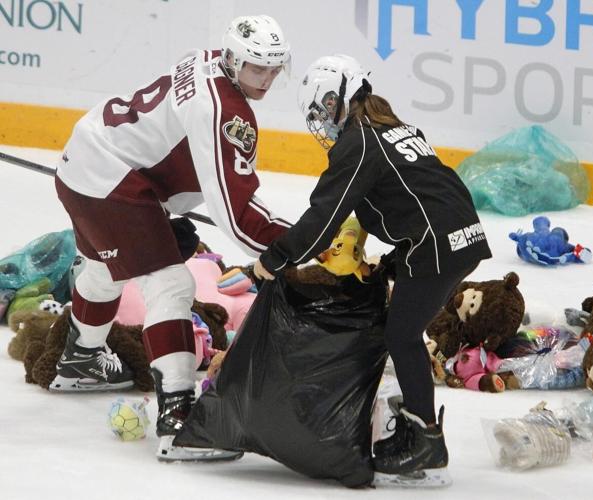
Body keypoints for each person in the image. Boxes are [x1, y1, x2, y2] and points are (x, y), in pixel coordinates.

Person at [52, 15, 292, 442]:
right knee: (171, 285)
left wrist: (159, 213)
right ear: (235, 61)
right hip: (114, 181)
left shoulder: (203, 59)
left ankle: (81, 359)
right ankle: (179, 421)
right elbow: (238, 219)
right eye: (259, 67)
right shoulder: (226, 113)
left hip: (82, 160)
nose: (268, 77)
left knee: (105, 269)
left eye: (275, 67)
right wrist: (298, 242)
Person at [254, 55, 492, 483]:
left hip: (436, 245)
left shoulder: (358, 143)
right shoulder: (393, 128)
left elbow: (322, 221)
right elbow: (429, 190)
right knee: (401, 329)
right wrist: (398, 259)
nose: (321, 122)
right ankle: (417, 427)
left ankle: (426, 442)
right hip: (460, 236)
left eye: (321, 109)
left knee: (400, 336)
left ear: (336, 98)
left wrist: (274, 259)